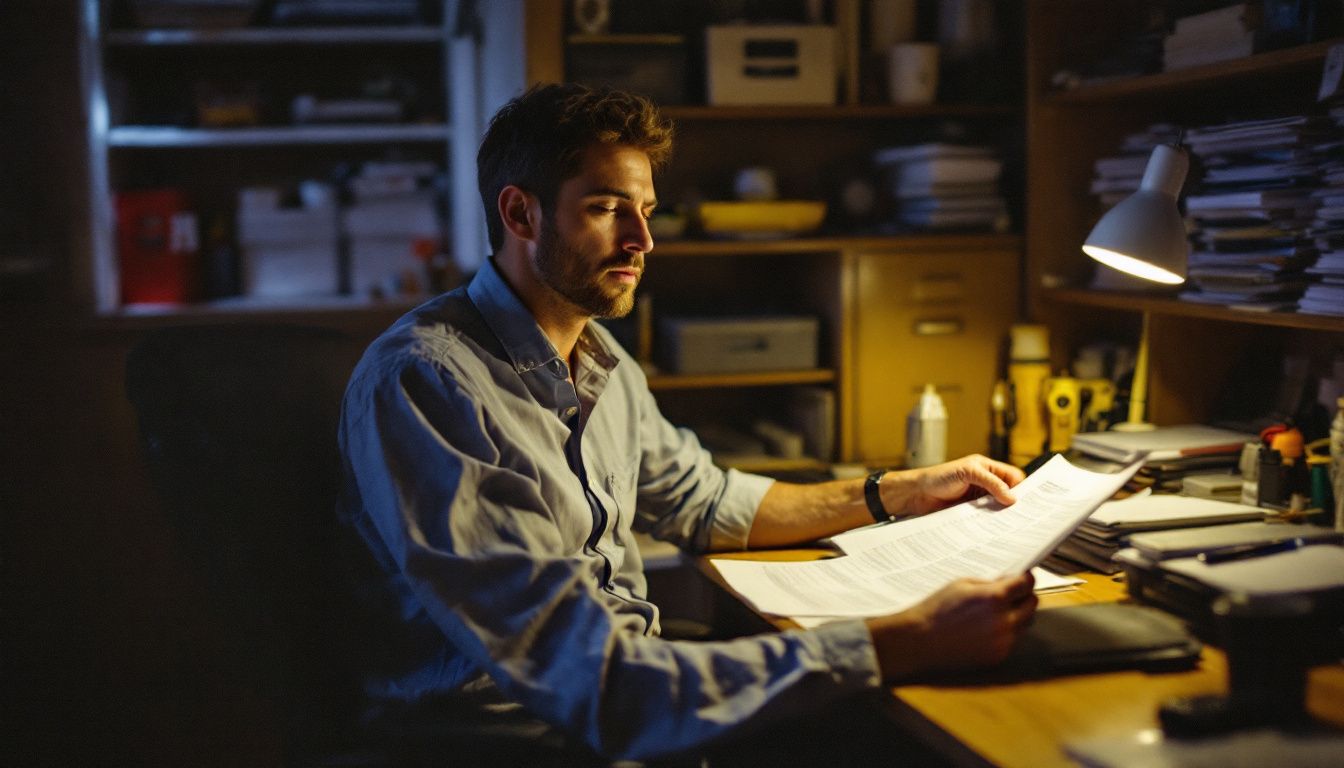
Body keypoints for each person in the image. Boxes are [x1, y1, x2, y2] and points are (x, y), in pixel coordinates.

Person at [337, 83, 1037, 766]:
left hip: (621, 695)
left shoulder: (599, 358)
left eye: (645, 210)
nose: (642, 239)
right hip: (514, 736)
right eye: (608, 209)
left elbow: (704, 501)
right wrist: (904, 640)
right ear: (521, 214)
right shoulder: (427, 381)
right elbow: (592, 682)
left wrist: (897, 492)